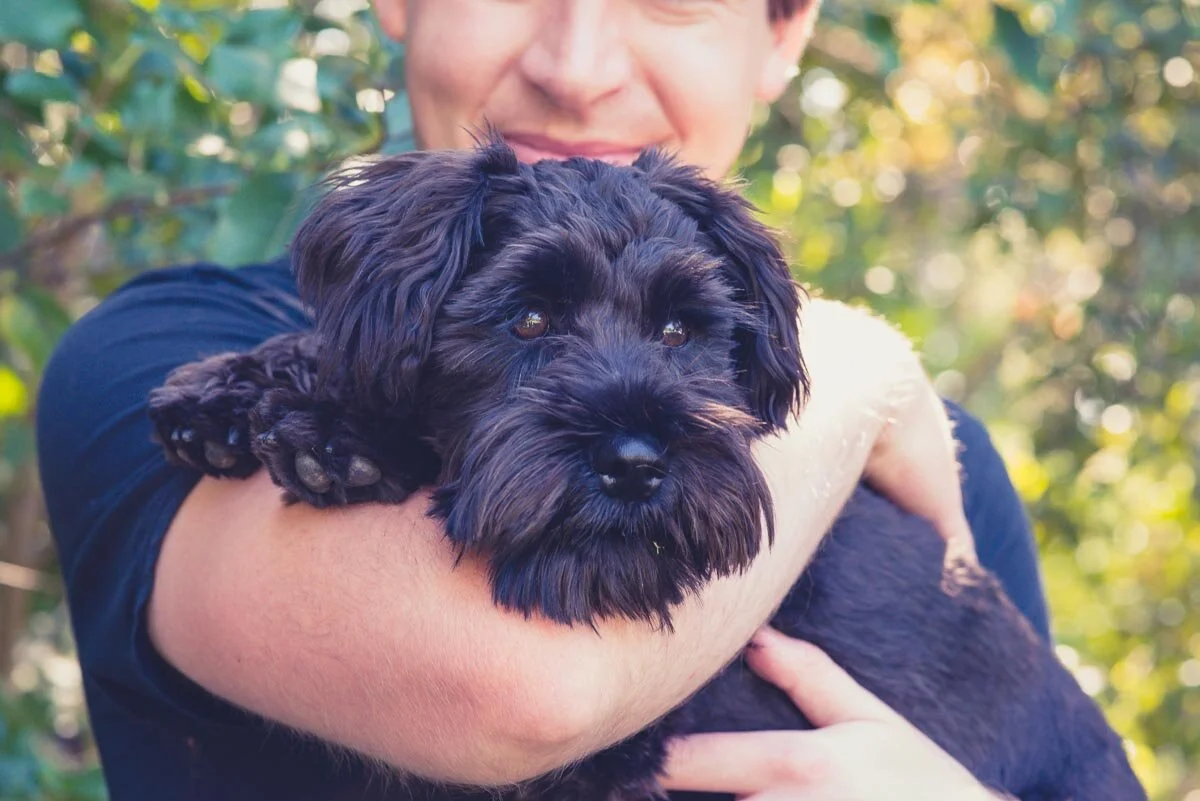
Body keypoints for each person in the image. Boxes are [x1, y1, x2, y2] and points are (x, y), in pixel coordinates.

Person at [35, 1, 1049, 799]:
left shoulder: (935, 466)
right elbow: (531, 693)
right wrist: (861, 364)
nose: (577, 67)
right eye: (526, 326)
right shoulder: (147, 350)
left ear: (786, 31)